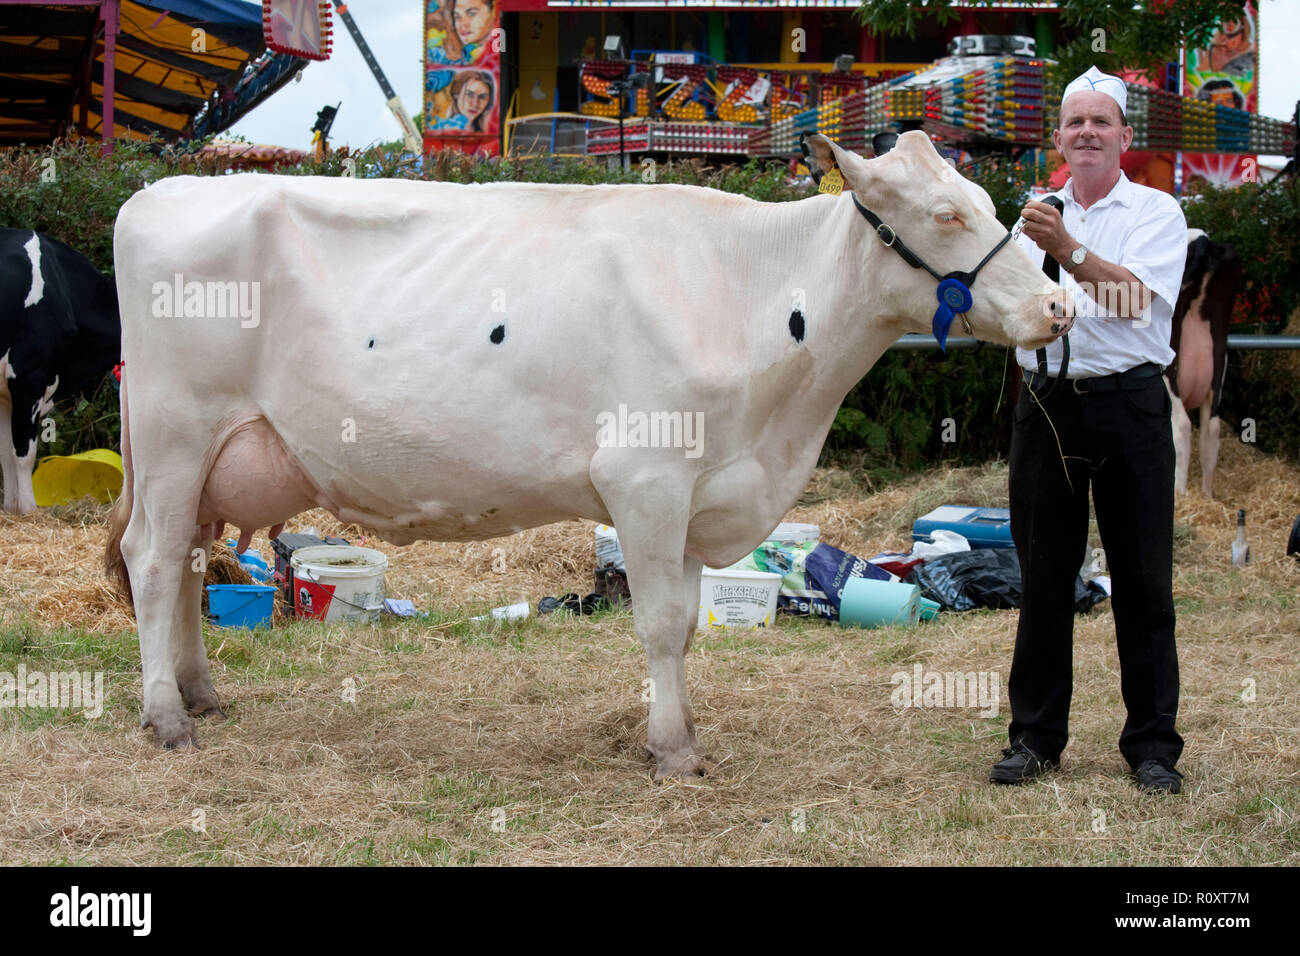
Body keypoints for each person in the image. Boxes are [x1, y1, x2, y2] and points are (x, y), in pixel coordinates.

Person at [991, 66, 1188, 794]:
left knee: (1142, 582)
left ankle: (1152, 747)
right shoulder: (1031, 219)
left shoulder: (1156, 213)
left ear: (1125, 137)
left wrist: (1069, 248)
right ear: (1060, 139)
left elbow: (1135, 299)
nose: (1087, 133)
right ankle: (1035, 738)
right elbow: (1007, 308)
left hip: (1129, 406)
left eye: (1101, 121)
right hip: (1045, 407)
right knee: (1042, 579)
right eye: (1075, 122)